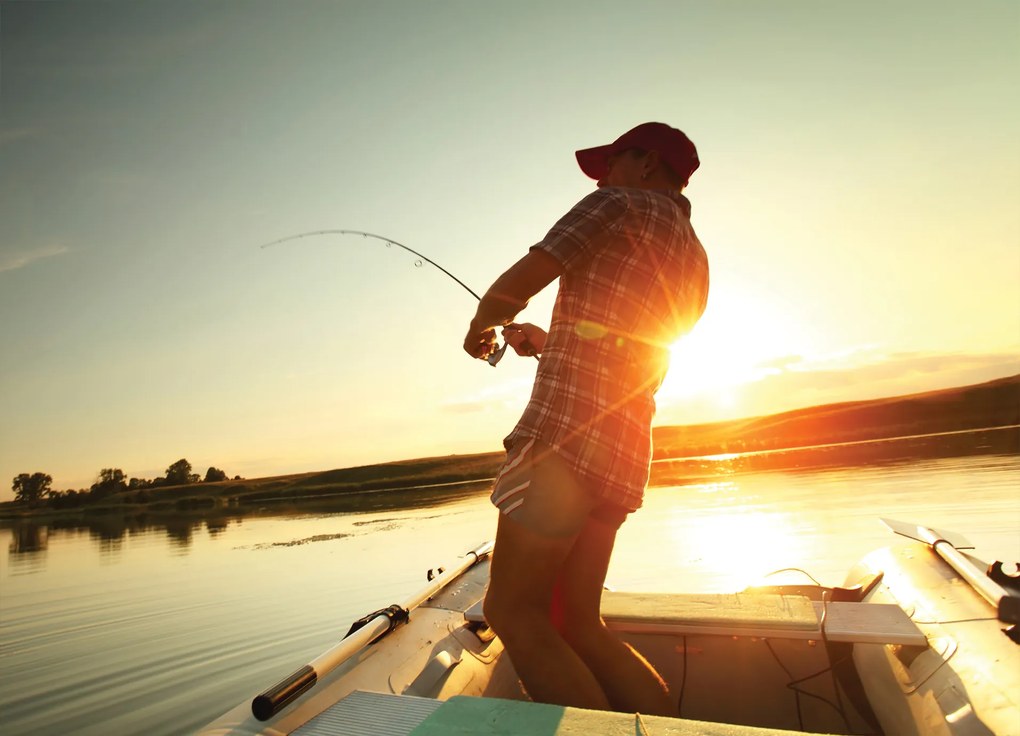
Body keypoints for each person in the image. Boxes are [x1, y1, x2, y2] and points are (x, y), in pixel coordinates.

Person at [462, 122, 709, 714]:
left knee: (512, 611)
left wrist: (481, 325)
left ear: (646, 164)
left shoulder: (616, 203)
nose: (600, 177)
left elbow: (526, 276)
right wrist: (550, 342)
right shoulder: (695, 255)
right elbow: (636, 349)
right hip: (624, 454)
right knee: (578, 620)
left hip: (562, 443)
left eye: (611, 162)